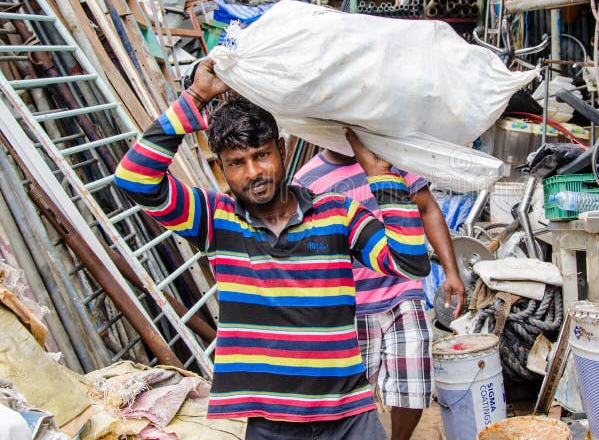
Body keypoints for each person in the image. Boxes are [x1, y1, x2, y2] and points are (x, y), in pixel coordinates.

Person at [113, 59, 430, 440]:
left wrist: (382, 176)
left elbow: (411, 262)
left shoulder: (338, 214)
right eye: (236, 163)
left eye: (261, 155)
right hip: (270, 425)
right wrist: (195, 96)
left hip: (350, 418)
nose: (252, 173)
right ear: (222, 168)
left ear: (281, 149)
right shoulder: (215, 220)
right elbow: (133, 179)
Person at [293, 149, 466, 440]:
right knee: (352, 396)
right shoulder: (307, 180)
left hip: (402, 291)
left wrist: (451, 271)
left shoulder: (391, 158)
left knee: (412, 386)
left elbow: (426, 208)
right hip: (349, 304)